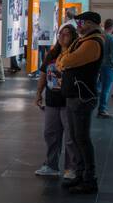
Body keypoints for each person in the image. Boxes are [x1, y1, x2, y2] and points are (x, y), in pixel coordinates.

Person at [55, 11, 105, 193]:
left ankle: (89, 179)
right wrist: (63, 60)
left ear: (92, 23)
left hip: (82, 96)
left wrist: (64, 61)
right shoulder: (83, 40)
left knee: (82, 138)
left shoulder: (92, 42)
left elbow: (67, 60)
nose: (78, 25)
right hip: (75, 95)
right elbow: (62, 58)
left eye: (81, 22)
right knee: (76, 137)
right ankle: (80, 173)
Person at [35, 24, 78, 177]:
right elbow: (43, 74)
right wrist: (39, 93)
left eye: (66, 34)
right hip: (52, 100)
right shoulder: (52, 54)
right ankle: (51, 165)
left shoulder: (76, 55)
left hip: (69, 100)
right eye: (60, 34)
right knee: (50, 134)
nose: (62, 37)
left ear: (73, 37)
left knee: (70, 137)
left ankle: (71, 168)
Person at [97, 19, 113, 117]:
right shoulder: (112, 38)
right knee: (106, 89)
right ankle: (102, 109)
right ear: (112, 27)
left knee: (99, 86)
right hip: (108, 66)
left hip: (99, 65)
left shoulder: (99, 36)